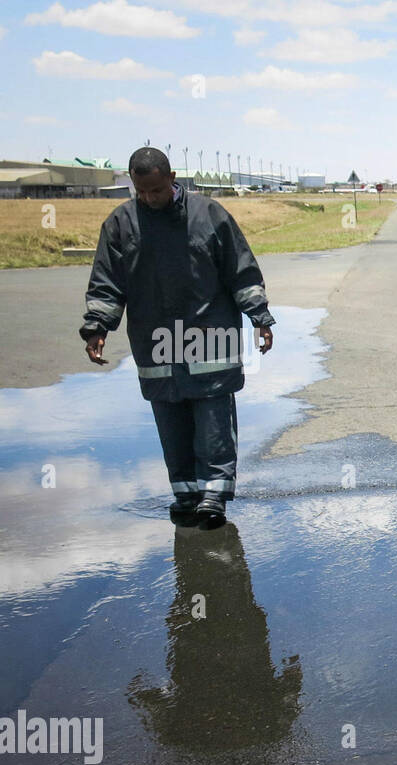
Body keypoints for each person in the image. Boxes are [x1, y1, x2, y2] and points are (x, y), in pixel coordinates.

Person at [79, 146, 274, 527]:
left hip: (210, 335)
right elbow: (107, 283)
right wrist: (97, 327)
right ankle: (186, 494)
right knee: (171, 420)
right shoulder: (120, 224)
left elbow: (241, 271)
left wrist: (260, 317)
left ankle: (214, 495)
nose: (150, 198)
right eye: (141, 191)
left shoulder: (210, 215)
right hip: (154, 340)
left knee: (214, 418)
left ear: (172, 178)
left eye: (156, 190)